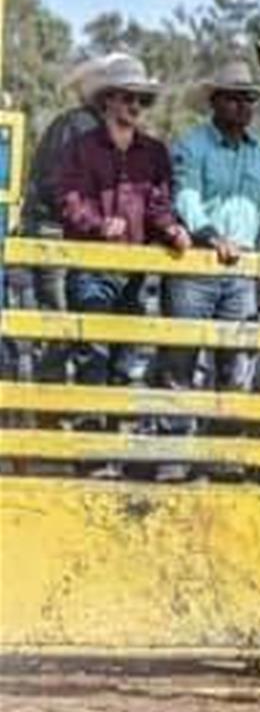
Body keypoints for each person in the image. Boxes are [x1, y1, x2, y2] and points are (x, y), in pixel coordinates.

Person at [156, 60, 260, 481]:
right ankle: (172, 461)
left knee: (236, 366)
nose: (243, 107)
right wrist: (209, 235)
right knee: (180, 362)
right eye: (235, 99)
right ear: (215, 102)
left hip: (241, 272)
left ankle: (222, 461)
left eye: (249, 100)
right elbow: (186, 197)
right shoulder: (192, 146)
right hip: (194, 266)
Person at [56, 55, 191, 478]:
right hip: (92, 265)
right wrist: (98, 224)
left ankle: (113, 449)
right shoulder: (80, 148)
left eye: (142, 100)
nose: (136, 106)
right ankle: (92, 457)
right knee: (93, 358)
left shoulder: (154, 152)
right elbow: (68, 201)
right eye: (129, 98)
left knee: (124, 363)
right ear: (108, 101)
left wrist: (170, 229)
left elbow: (158, 205)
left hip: (134, 271)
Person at [19, 53, 132, 384]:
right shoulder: (80, 127)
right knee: (59, 322)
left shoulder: (91, 128)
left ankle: (56, 398)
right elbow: (62, 187)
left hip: (67, 230)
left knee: (66, 321)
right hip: (56, 231)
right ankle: (51, 401)